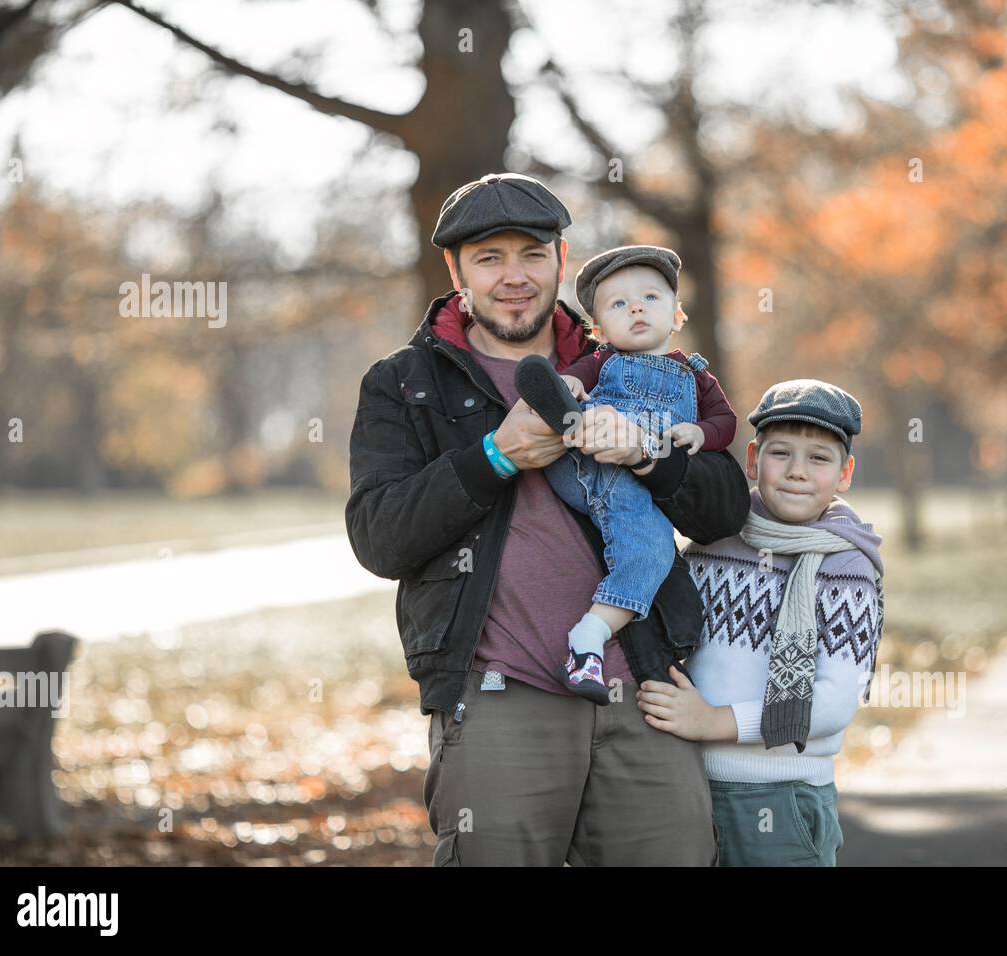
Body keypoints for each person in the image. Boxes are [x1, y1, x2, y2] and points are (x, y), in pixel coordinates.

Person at [344, 172, 751, 866]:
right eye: (489, 257)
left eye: (532, 254)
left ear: (562, 259)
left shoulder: (626, 352)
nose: (514, 276)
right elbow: (380, 536)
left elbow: (723, 509)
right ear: (455, 269)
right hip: (501, 693)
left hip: (646, 686)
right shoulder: (407, 382)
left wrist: (650, 457)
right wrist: (494, 457)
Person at [635, 379, 885, 866]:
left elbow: (833, 702)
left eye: (819, 458)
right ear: (752, 459)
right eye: (781, 454)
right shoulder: (715, 538)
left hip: (782, 796)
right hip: (689, 786)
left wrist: (715, 722)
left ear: (845, 473)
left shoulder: (845, 567)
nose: (796, 472)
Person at [513, 245, 737, 702]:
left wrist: (701, 431)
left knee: (652, 550)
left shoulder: (698, 379)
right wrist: (572, 382)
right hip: (579, 462)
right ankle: (565, 416)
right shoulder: (600, 362)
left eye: (650, 298)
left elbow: (726, 422)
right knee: (648, 544)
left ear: (676, 315)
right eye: (619, 304)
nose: (636, 307)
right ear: (599, 330)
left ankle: (588, 637)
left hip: (629, 481)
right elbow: (581, 371)